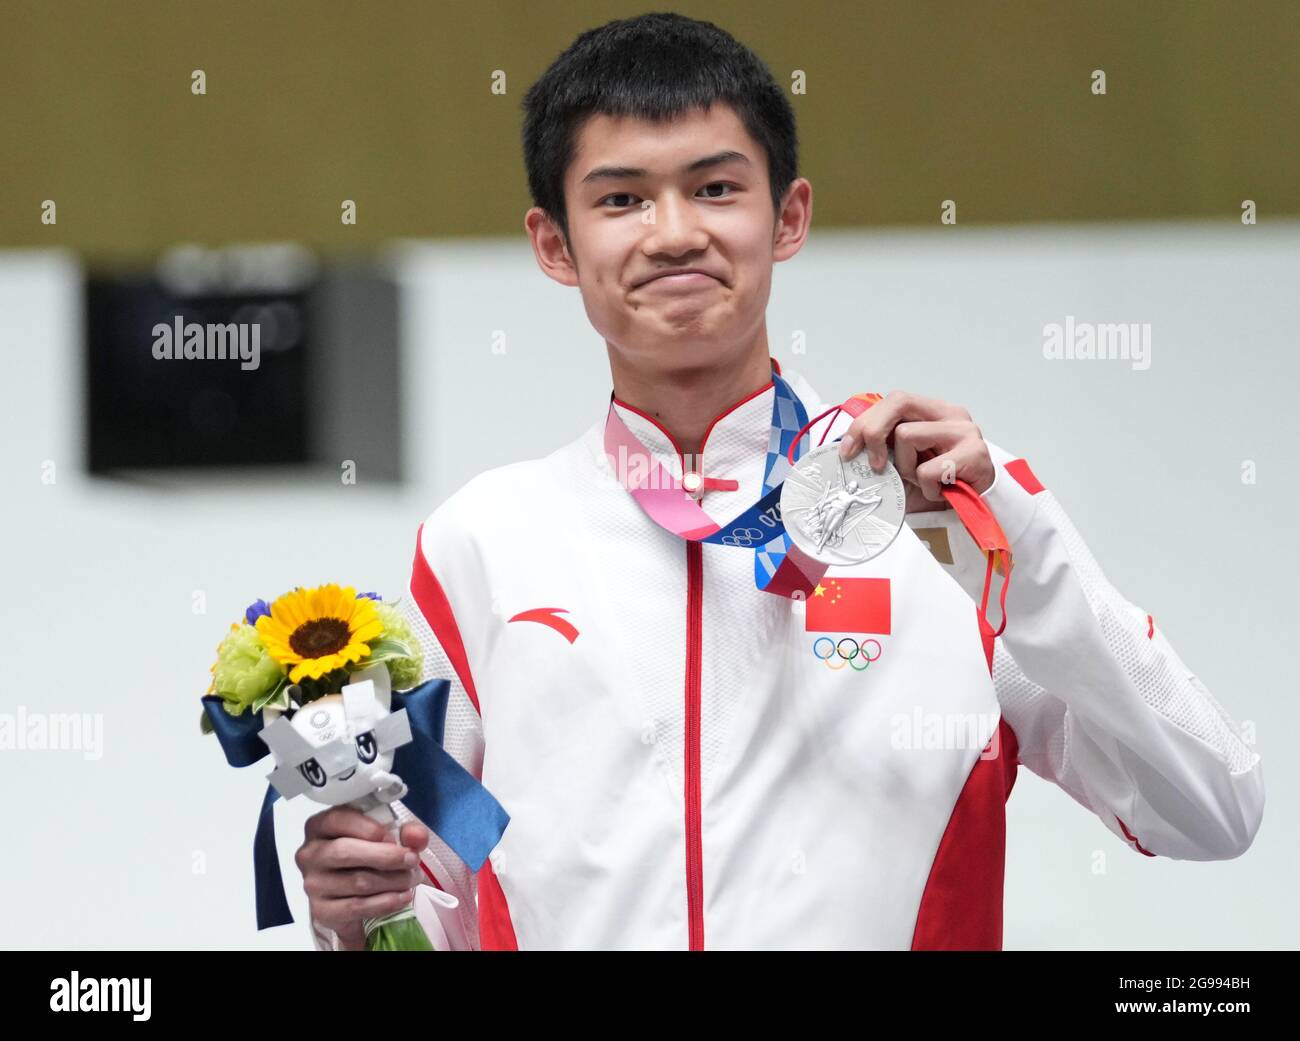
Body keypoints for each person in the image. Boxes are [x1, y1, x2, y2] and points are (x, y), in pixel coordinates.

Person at [294, 12, 1263, 951]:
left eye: (715, 188)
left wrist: (1017, 535)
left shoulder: (946, 509)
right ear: (555, 244)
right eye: (621, 199)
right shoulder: (483, 542)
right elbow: (442, 903)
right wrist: (356, 917)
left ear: (787, 217)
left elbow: (1212, 809)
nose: (673, 233)